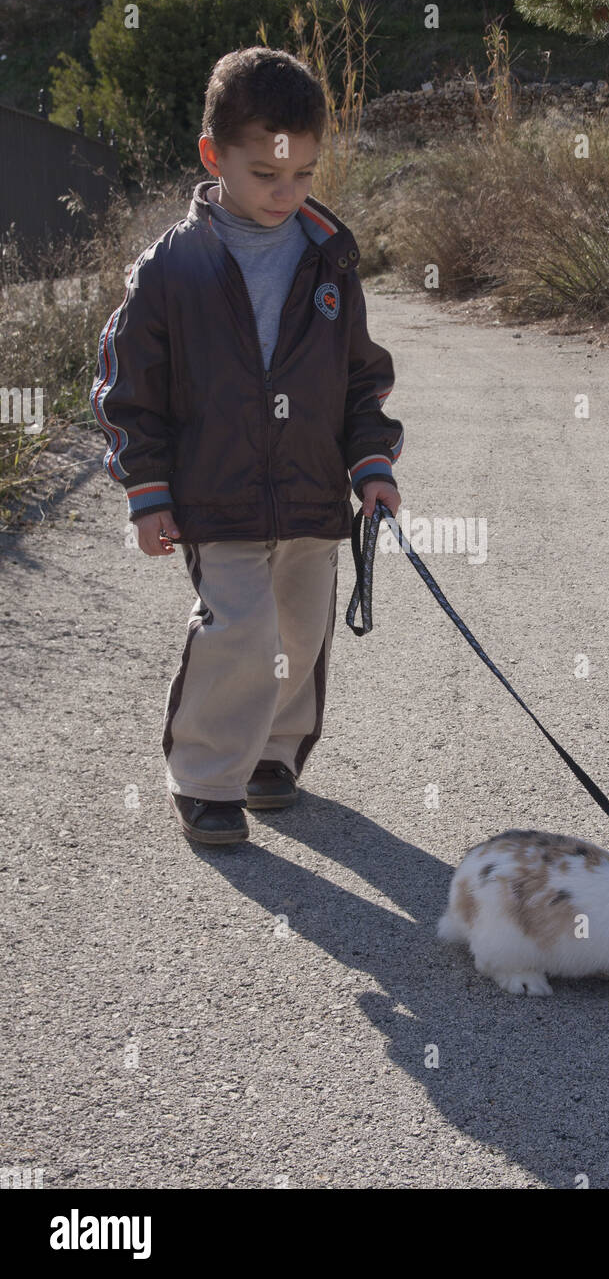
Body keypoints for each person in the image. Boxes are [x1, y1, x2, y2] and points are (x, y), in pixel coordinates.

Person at [90, 46, 403, 846]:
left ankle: (273, 754)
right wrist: (147, 492)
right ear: (213, 156)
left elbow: (360, 377)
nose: (286, 193)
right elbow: (129, 389)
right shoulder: (171, 268)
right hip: (214, 492)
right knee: (240, 629)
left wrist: (370, 463)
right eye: (265, 175)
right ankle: (205, 778)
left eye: (302, 174)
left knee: (299, 631)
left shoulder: (329, 255)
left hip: (309, 488)